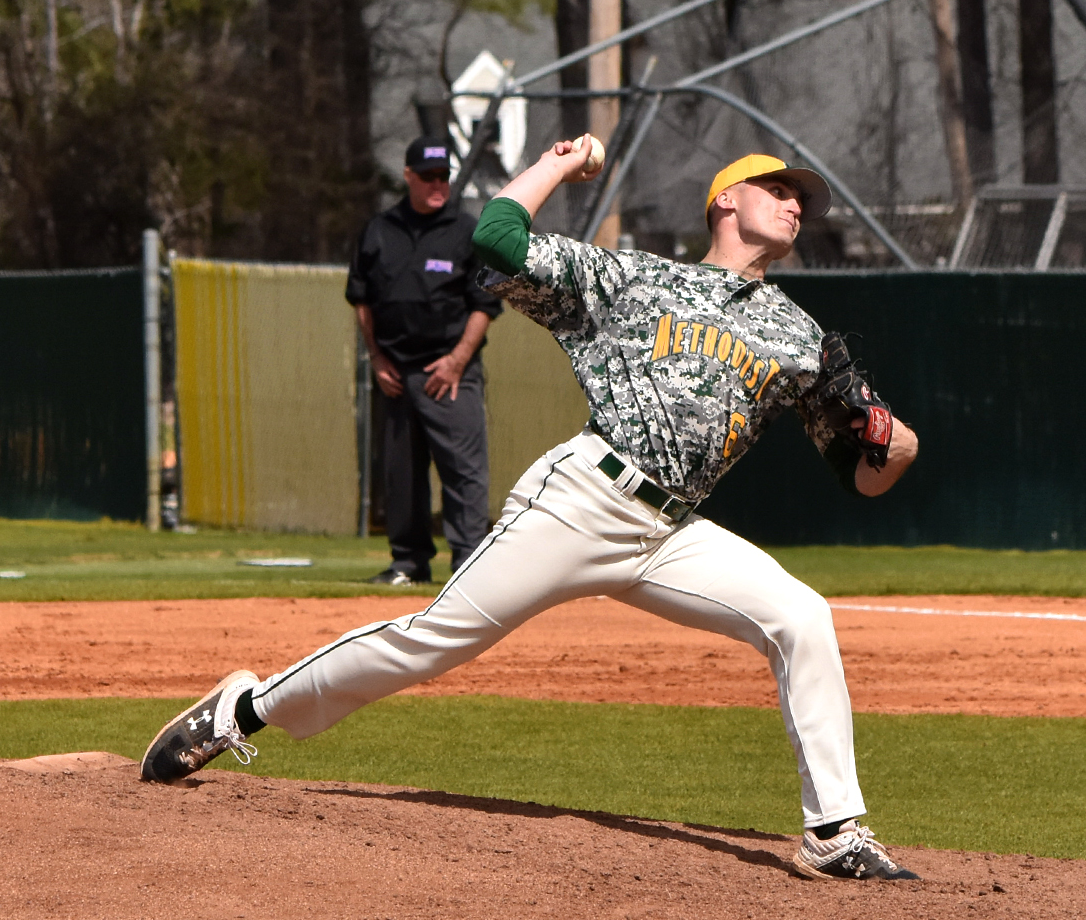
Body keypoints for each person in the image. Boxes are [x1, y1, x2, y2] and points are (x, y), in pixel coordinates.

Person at [142, 142, 924, 882]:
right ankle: (244, 711)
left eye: (801, 199)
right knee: (430, 642)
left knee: (801, 616)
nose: (795, 205)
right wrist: (559, 162)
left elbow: (862, 475)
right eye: (779, 189)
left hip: (672, 532)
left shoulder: (800, 335)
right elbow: (496, 237)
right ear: (727, 200)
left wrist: (897, 448)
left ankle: (833, 834)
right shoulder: (633, 280)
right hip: (583, 501)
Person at [348, 134, 504, 586]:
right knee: (402, 476)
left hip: (448, 372)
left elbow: (485, 304)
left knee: (463, 471)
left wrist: (457, 360)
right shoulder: (380, 230)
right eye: (429, 176)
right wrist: (376, 357)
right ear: (409, 176)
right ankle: (408, 562)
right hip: (396, 373)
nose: (438, 184)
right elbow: (361, 298)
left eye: (444, 176)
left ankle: (468, 563)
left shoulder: (466, 232)